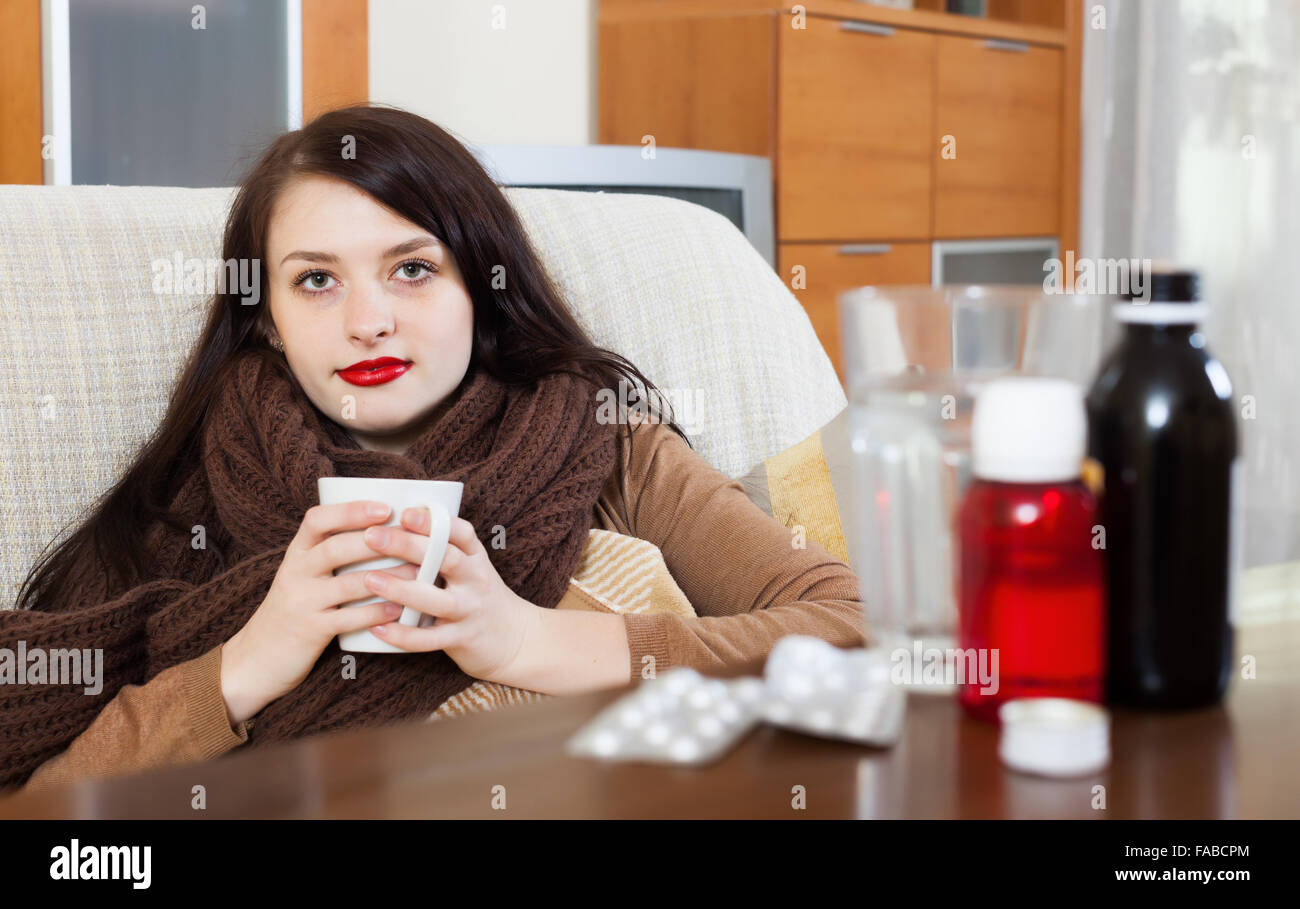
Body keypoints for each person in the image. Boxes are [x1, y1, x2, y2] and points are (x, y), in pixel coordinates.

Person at [1, 104, 864, 795]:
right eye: (316, 280)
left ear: (481, 288)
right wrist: (249, 660)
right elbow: (46, 816)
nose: (368, 319)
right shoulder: (189, 500)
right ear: (266, 318)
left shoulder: (603, 440)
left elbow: (851, 628)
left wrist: (524, 642)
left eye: (412, 267)